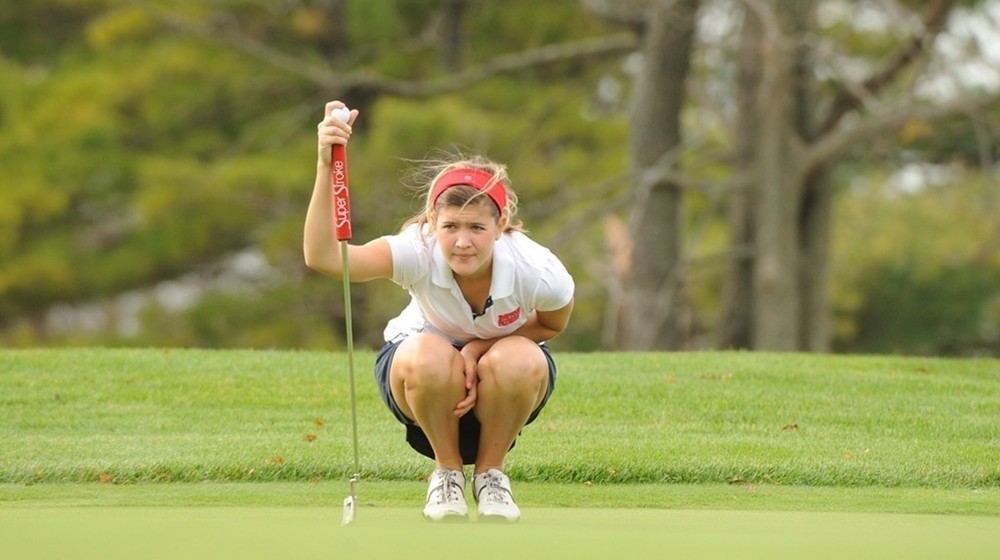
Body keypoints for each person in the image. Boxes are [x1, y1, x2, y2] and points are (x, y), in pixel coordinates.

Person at [304, 101, 575, 523]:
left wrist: (479, 348)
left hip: (505, 391)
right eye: (450, 227)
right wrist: (325, 164)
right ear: (433, 220)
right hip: (422, 387)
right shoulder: (417, 248)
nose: (462, 242)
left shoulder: (538, 271)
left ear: (501, 226)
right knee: (428, 353)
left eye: (477, 228)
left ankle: (491, 476)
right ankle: (446, 475)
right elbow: (324, 257)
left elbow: (553, 324)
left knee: (521, 356)